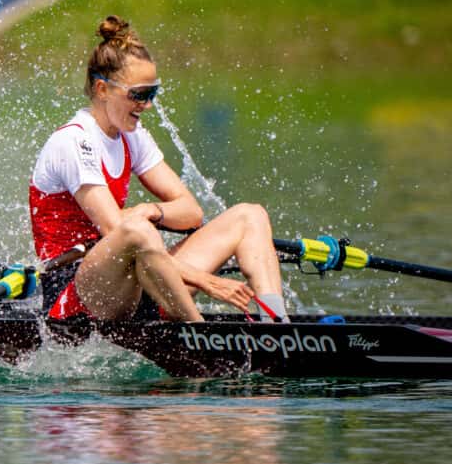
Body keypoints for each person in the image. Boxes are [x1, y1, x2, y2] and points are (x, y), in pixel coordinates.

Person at [29, 16, 288, 324]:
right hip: (75, 293)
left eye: (153, 93)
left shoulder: (132, 136)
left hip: (135, 277)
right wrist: (207, 281)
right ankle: (198, 333)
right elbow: (119, 232)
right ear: (102, 89)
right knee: (136, 230)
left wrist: (149, 209)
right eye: (138, 94)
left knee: (250, 215)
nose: (147, 105)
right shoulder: (75, 141)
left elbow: (191, 213)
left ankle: (277, 326)